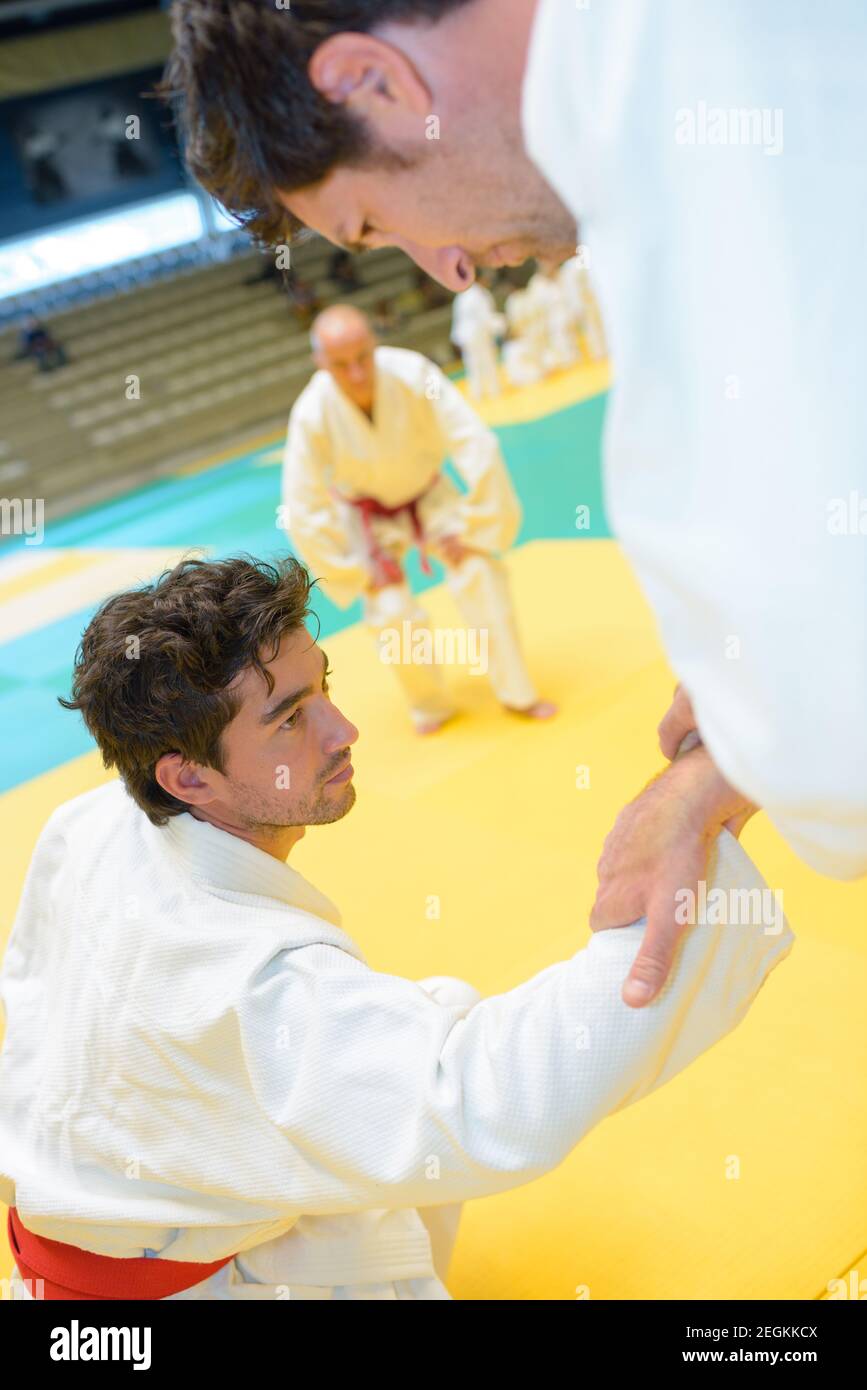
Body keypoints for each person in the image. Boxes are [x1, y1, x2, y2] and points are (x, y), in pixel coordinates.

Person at [160, 0, 867, 1008]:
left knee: (484, 589)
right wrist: (741, 709)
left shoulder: (696, 103)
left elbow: (839, 726)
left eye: (373, 222)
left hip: (430, 512)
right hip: (382, 528)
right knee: (412, 624)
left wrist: (740, 738)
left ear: (376, 82)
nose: (445, 268)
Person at [0, 555, 793, 1302]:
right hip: (177, 1283)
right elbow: (485, 1101)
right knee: (420, 1105)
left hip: (113, 1207)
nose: (343, 730)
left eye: (324, 689)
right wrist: (683, 862)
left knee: (423, 1022)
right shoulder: (266, 990)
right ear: (190, 776)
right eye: (289, 719)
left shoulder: (90, 819)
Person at [282, 304, 556, 732]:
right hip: (365, 516)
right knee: (389, 609)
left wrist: (476, 525)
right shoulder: (312, 411)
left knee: (479, 573)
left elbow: (476, 444)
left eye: (363, 357)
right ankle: (430, 704)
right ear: (319, 363)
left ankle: (518, 691)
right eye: (340, 365)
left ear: (375, 343)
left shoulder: (412, 373)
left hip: (430, 496)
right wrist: (356, 569)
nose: (356, 373)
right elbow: (302, 505)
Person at [450, 279, 505, 399]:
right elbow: (486, 317)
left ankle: (477, 392)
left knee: (472, 364)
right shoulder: (479, 294)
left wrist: (456, 337)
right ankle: (494, 390)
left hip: (466, 336)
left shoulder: (461, 296)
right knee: (487, 362)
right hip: (478, 334)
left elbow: (458, 320)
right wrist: (501, 325)